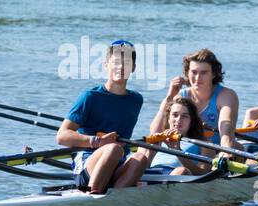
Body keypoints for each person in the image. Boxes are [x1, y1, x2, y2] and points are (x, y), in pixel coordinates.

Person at [56, 40, 148, 193]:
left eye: (126, 62)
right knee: (113, 149)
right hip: (87, 165)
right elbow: (62, 136)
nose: (121, 67)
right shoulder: (90, 97)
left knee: (140, 158)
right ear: (106, 64)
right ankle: (93, 195)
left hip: (117, 165)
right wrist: (97, 142)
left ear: (133, 67)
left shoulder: (136, 100)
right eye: (116, 62)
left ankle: (113, 201)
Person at [147, 48, 241, 158]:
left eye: (204, 73)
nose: (197, 78)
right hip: (185, 150)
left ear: (214, 74)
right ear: (187, 73)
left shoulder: (226, 96)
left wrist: (227, 153)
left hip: (215, 152)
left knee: (237, 148)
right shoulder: (180, 96)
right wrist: (169, 97)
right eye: (194, 72)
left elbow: (227, 130)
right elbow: (154, 132)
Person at [144, 94, 211, 175]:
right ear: (169, 119)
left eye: (184, 116)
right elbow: (141, 169)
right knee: (138, 156)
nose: (178, 120)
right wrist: (151, 153)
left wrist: (178, 152)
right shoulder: (155, 139)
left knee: (182, 170)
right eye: (175, 115)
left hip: (177, 175)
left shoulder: (203, 143)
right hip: (151, 174)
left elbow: (202, 173)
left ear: (192, 121)